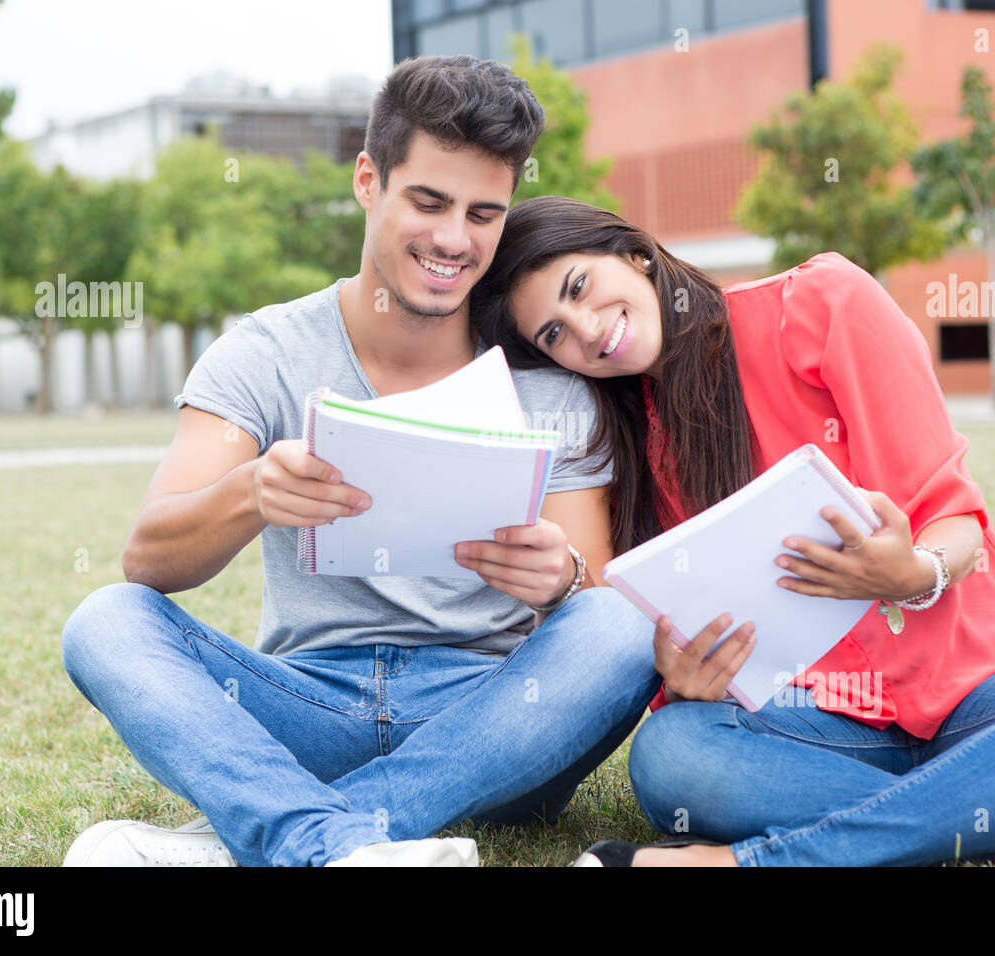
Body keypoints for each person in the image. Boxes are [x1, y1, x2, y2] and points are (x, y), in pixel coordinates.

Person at [59, 58, 661, 867]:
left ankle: (273, 842)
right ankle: (337, 845)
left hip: (491, 726)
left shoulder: (550, 385)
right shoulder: (264, 353)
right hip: (307, 707)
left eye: (484, 213)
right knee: (104, 620)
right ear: (368, 180)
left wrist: (563, 579)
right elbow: (149, 559)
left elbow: (592, 600)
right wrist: (251, 491)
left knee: (621, 620)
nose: (455, 240)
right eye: (429, 201)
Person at [471, 194, 995, 867]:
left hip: (976, 694)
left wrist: (913, 573)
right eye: (555, 335)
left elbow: (955, 518)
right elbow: (681, 634)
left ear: (633, 254)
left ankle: (755, 861)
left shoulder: (819, 303)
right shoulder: (625, 438)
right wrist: (688, 680)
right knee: (672, 758)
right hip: (820, 727)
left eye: (577, 287)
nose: (589, 330)